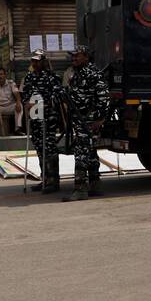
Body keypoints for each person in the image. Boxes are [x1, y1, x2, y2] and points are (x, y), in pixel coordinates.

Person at [62, 43, 111, 201]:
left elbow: (104, 98)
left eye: (77, 55)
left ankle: (80, 189)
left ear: (86, 57)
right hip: (80, 120)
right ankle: (95, 185)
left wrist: (100, 119)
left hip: (89, 121)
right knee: (90, 152)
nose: (74, 58)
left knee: (81, 153)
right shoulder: (77, 74)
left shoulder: (93, 73)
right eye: (73, 56)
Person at [21, 49, 62, 193]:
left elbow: (57, 97)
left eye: (37, 61)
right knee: (39, 146)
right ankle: (45, 179)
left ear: (43, 61)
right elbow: (25, 95)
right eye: (33, 61)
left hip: (48, 116)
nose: (34, 63)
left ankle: (53, 180)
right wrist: (27, 103)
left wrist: (43, 104)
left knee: (49, 147)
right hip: (35, 116)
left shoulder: (52, 77)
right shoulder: (29, 77)